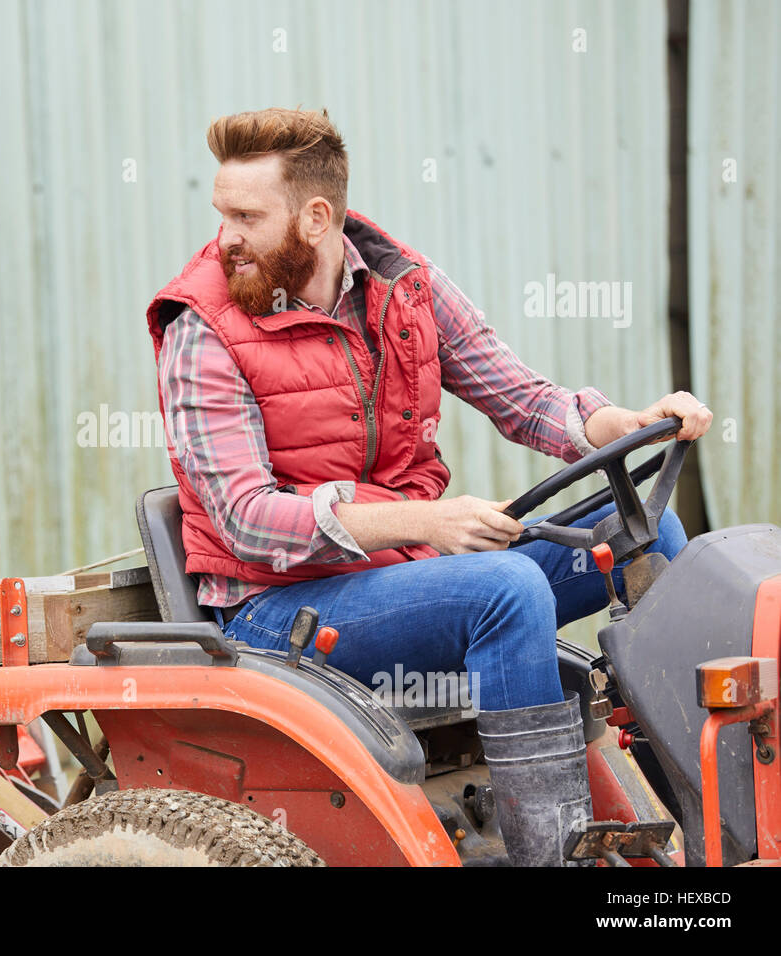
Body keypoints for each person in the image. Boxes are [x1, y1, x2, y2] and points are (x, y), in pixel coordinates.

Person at [145, 107, 713, 866]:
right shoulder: (202, 328)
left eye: (247, 216)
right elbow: (248, 521)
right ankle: (548, 854)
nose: (226, 239)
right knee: (506, 590)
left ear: (317, 218)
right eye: (222, 214)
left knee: (648, 528)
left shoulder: (403, 287)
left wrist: (622, 421)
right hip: (276, 613)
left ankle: (704, 824)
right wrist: (427, 522)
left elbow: (523, 397)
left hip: (400, 575)